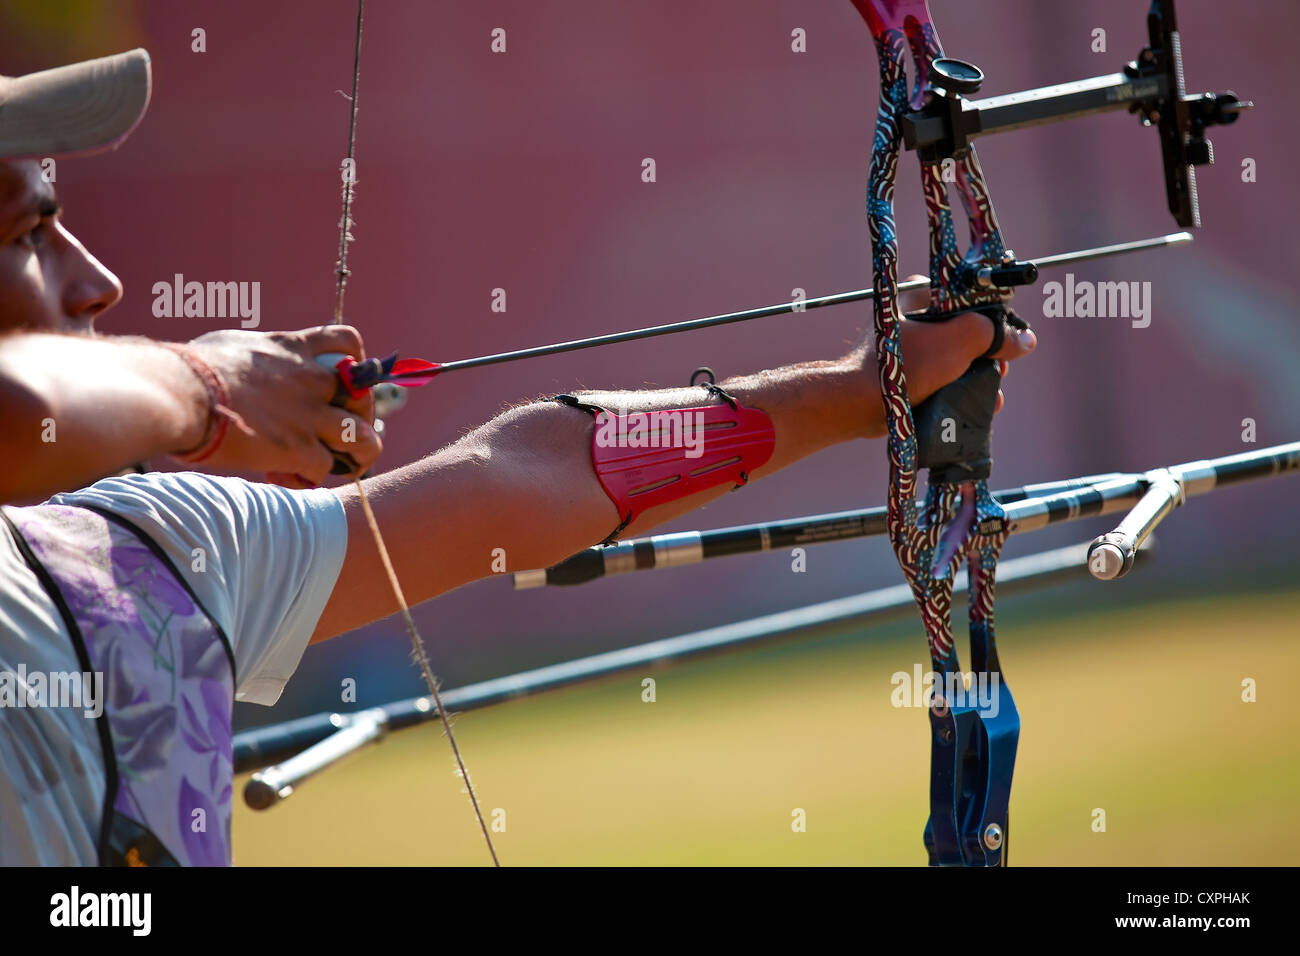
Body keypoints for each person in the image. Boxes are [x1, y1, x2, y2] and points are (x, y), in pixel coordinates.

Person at [0, 50, 1035, 865]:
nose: (97, 279)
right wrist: (207, 386)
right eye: (28, 233)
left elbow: (522, 478)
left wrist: (853, 393)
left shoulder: (139, 543)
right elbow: (21, 403)